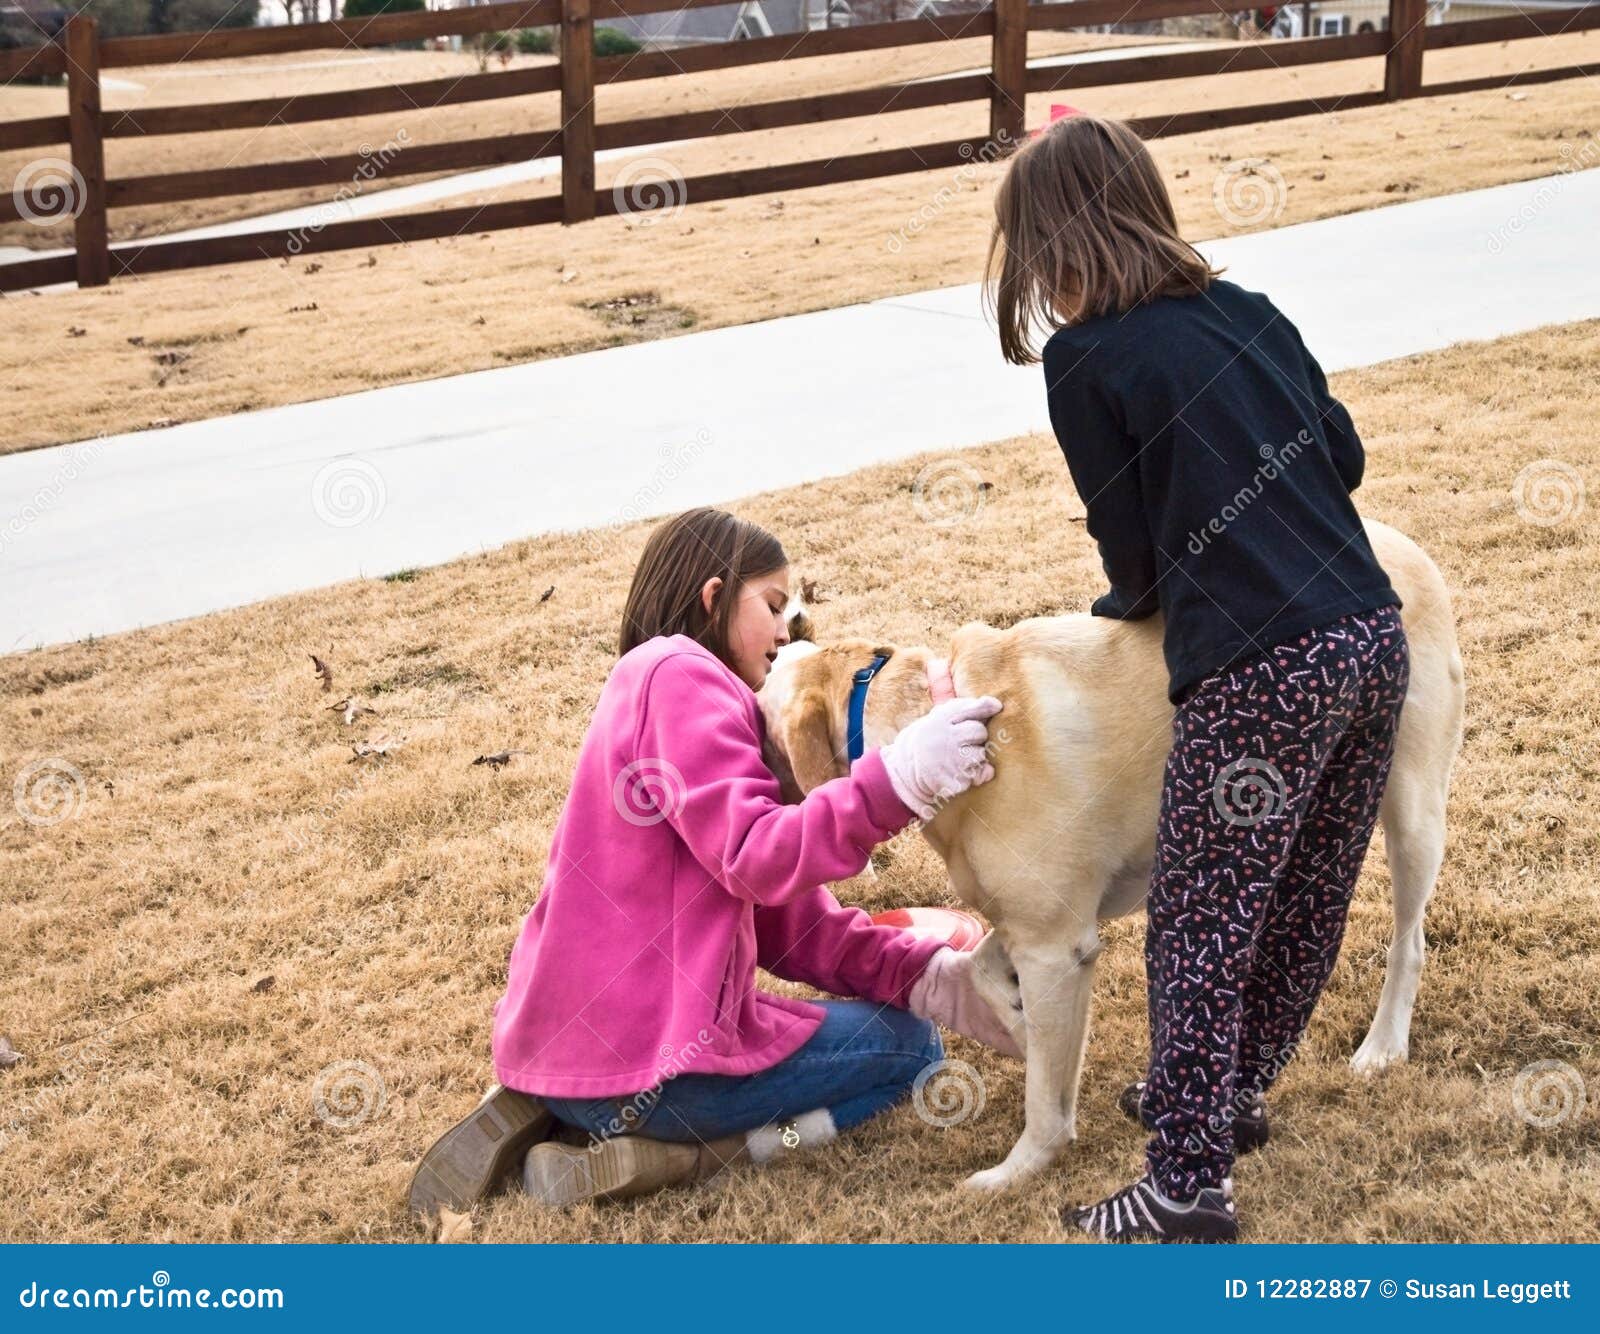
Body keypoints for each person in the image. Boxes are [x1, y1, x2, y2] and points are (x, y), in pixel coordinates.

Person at [985, 114, 1410, 1242]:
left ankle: (1183, 1184)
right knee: (1308, 888)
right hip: (1369, 633)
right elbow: (1345, 457)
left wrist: (1136, 600)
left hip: (1259, 666)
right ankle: (1226, 1099)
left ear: (1049, 247)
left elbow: (1125, 543)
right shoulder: (1252, 314)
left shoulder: (1087, 359)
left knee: (1201, 918)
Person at [409, 507, 1019, 1217]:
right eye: (772, 605)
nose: (788, 630)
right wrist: (899, 782)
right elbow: (757, 857)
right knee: (912, 1050)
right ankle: (680, 1155)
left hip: (566, 1044)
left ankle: (554, 1099)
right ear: (712, 596)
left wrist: (926, 975)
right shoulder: (683, 673)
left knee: (877, 1017)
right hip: (660, 1073)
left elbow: (790, 925)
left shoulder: (657, 691)